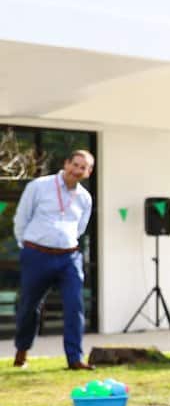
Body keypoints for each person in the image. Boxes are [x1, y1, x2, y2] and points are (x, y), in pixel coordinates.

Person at [11, 149, 95, 370]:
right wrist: (26, 247)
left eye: (83, 167)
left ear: (88, 172)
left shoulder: (85, 198)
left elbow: (80, 228)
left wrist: (64, 243)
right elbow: (21, 218)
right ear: (66, 163)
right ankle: (22, 350)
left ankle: (74, 358)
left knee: (74, 304)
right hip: (36, 254)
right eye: (75, 164)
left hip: (68, 257)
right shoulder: (39, 186)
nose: (77, 170)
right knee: (29, 306)